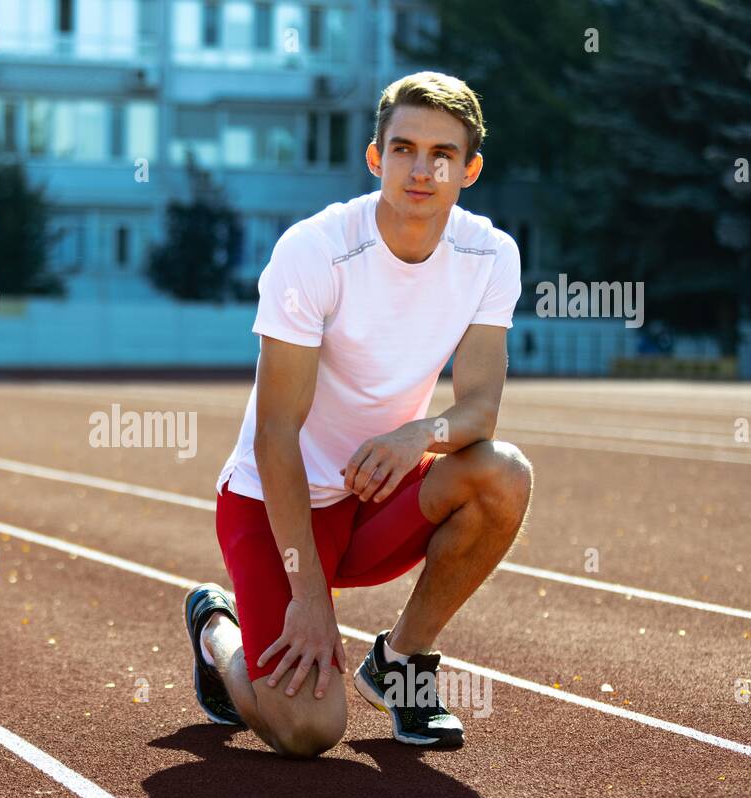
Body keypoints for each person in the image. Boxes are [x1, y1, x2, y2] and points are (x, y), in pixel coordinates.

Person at [183, 72, 533, 758]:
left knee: (503, 475)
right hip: (273, 507)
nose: (421, 169)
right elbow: (276, 431)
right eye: (403, 148)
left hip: (370, 496)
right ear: (375, 158)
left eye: (442, 154)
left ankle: (401, 662)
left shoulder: (491, 254)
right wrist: (308, 596)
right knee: (308, 729)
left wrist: (418, 434)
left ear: (470, 169)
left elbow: (480, 409)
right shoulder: (314, 251)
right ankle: (215, 630)